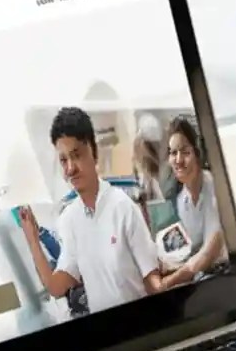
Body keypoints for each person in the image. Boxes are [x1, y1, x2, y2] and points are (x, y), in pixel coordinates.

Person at [18, 106, 165, 314]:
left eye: (76, 155)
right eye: (63, 160)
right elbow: (56, 287)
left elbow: (152, 281)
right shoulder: (69, 219)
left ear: (93, 153)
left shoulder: (123, 207)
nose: (70, 168)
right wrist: (33, 240)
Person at [161, 116, 228, 289]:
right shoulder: (182, 199)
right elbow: (191, 252)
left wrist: (167, 282)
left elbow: (208, 254)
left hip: (224, 274)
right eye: (173, 153)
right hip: (201, 275)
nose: (178, 160)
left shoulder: (213, 186)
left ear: (198, 153)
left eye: (185, 152)